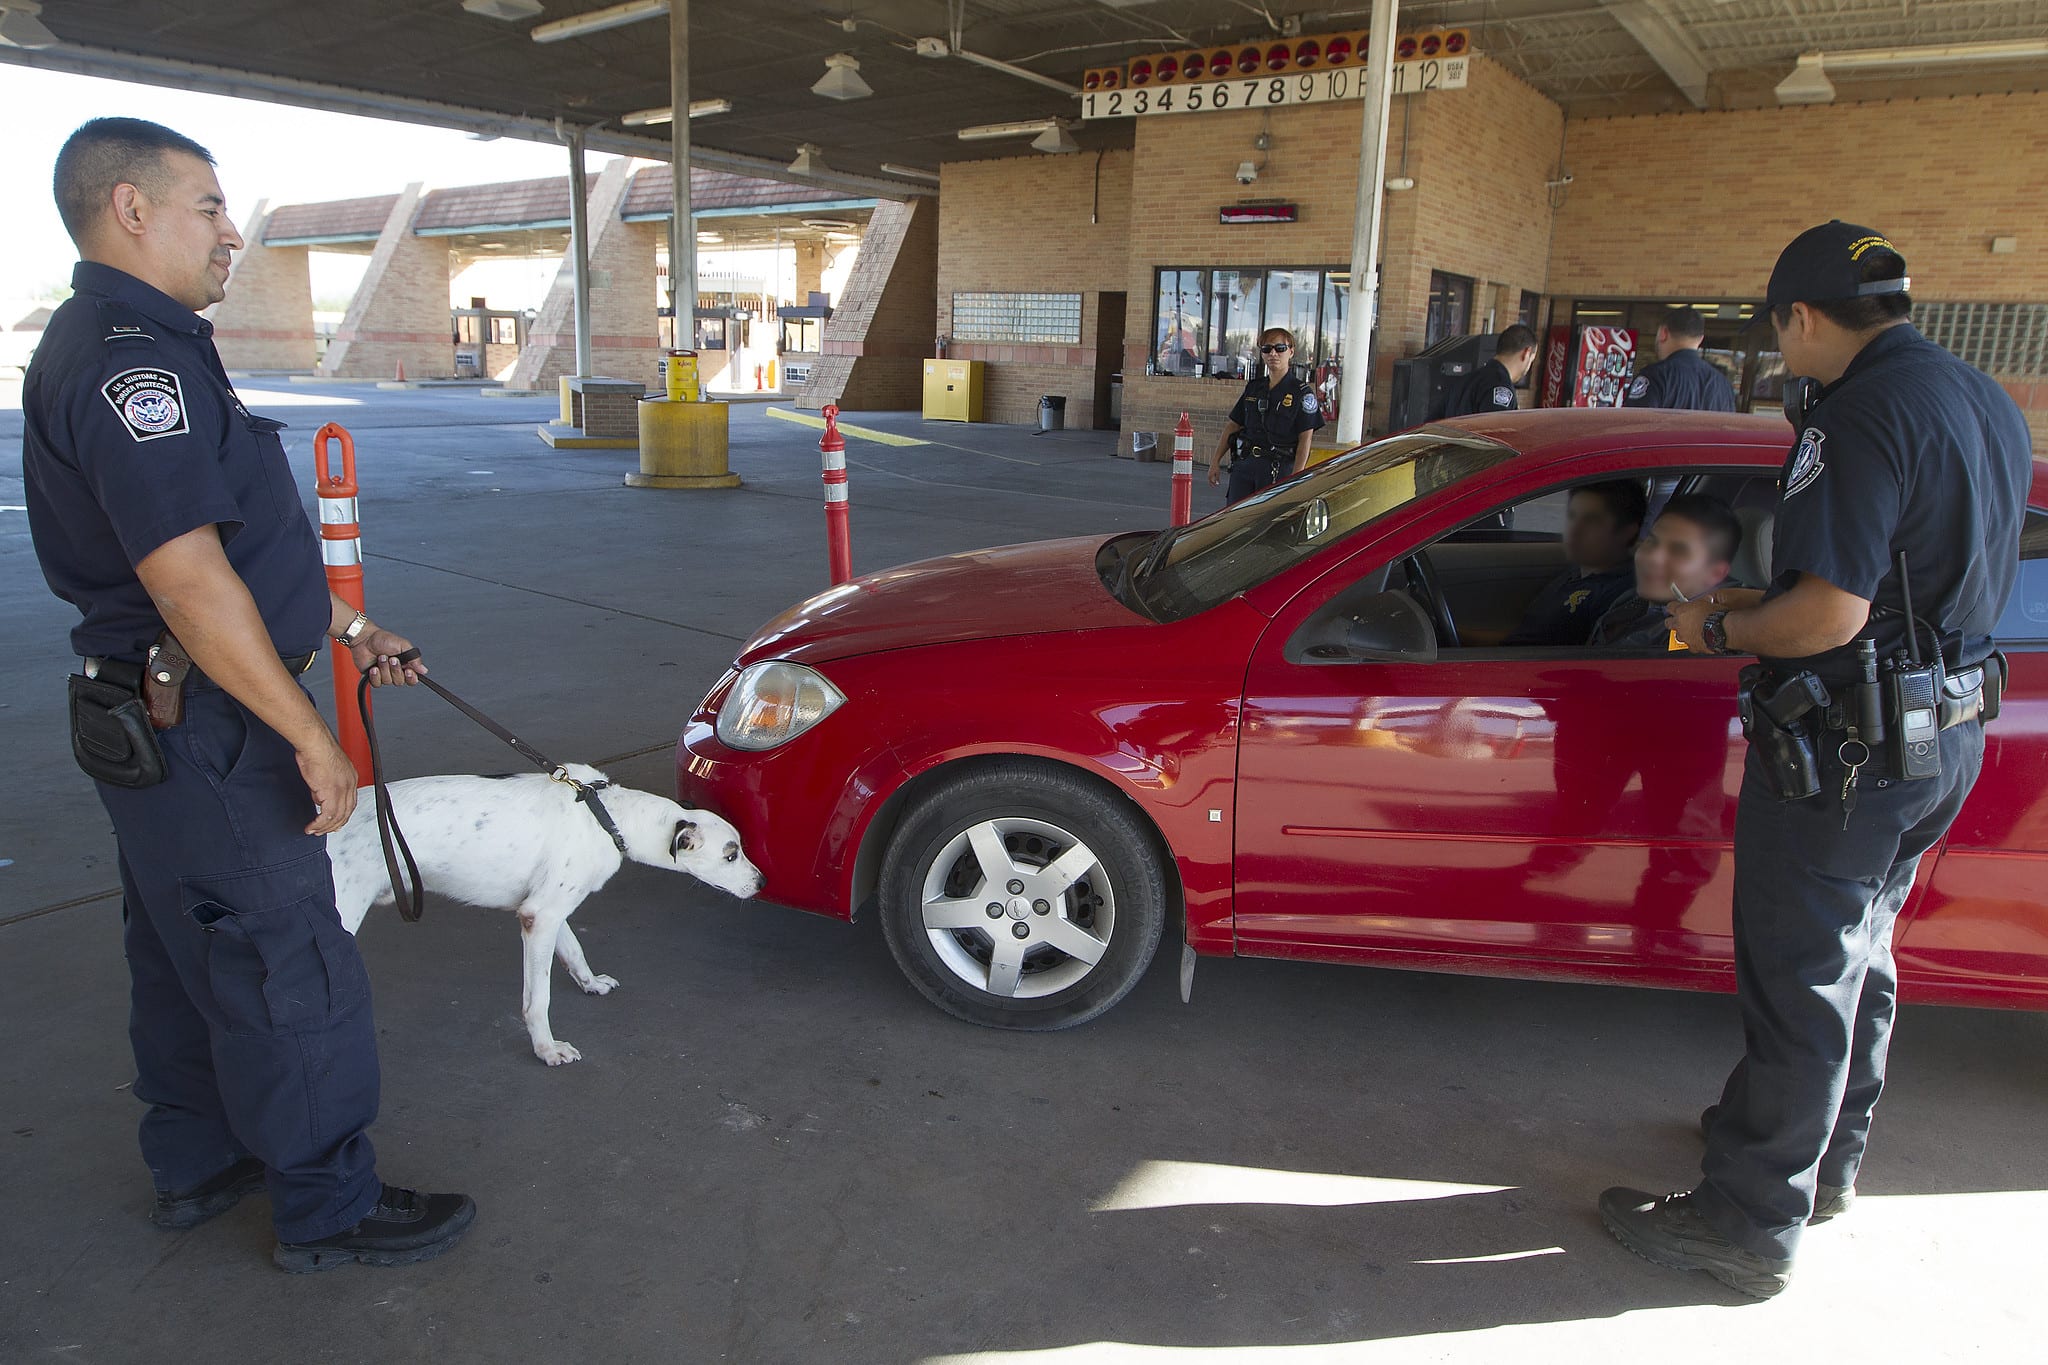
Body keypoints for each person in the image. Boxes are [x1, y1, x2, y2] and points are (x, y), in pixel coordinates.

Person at [22, 118, 474, 1272]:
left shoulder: (146, 344)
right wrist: (308, 733)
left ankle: (199, 1161)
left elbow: (244, 550)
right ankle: (327, 1204)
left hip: (160, 719)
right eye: (210, 207)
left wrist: (354, 627)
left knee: (184, 950)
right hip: (207, 727)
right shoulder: (134, 364)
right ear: (131, 209)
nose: (231, 233)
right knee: (284, 958)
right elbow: (186, 580)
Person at [1603, 222, 2031, 1297]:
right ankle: (1817, 1160)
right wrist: (1768, 601)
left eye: (1773, 329)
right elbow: (1906, 583)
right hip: (1944, 733)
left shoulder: (1852, 417)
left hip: (1850, 755)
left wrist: (1714, 630)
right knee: (1858, 953)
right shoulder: (1976, 394)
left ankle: (1747, 1226)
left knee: (1799, 975)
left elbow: (1830, 618)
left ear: (1798, 317)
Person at [1588, 493, 1742, 649]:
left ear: (1715, 573)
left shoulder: (1705, 642)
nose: (1653, 557)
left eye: (1678, 551)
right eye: (1652, 541)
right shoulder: (1632, 601)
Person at [1502, 480, 1646, 646]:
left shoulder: (1620, 594)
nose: (1574, 530)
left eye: (1591, 521)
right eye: (1572, 516)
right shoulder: (1577, 572)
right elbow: (1526, 638)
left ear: (1626, 532)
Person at [1206, 326, 1325, 502]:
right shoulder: (1254, 388)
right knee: (1235, 520)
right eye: (1267, 349)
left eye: (1280, 348)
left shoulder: (1302, 393)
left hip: (1277, 470)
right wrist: (1215, 461)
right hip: (1245, 467)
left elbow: (1305, 439)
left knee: (1268, 523)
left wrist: (1296, 478)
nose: (1273, 354)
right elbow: (1233, 425)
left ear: (1291, 352)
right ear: (1262, 353)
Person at [1622, 307, 1738, 412]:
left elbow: (1634, 427)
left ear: (1663, 333)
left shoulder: (1655, 376)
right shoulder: (1723, 384)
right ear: (1700, 339)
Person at [1446, 322, 1539, 417]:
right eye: (1531, 360)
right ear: (1526, 353)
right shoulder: (1501, 387)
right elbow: (1496, 429)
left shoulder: (1469, 379)